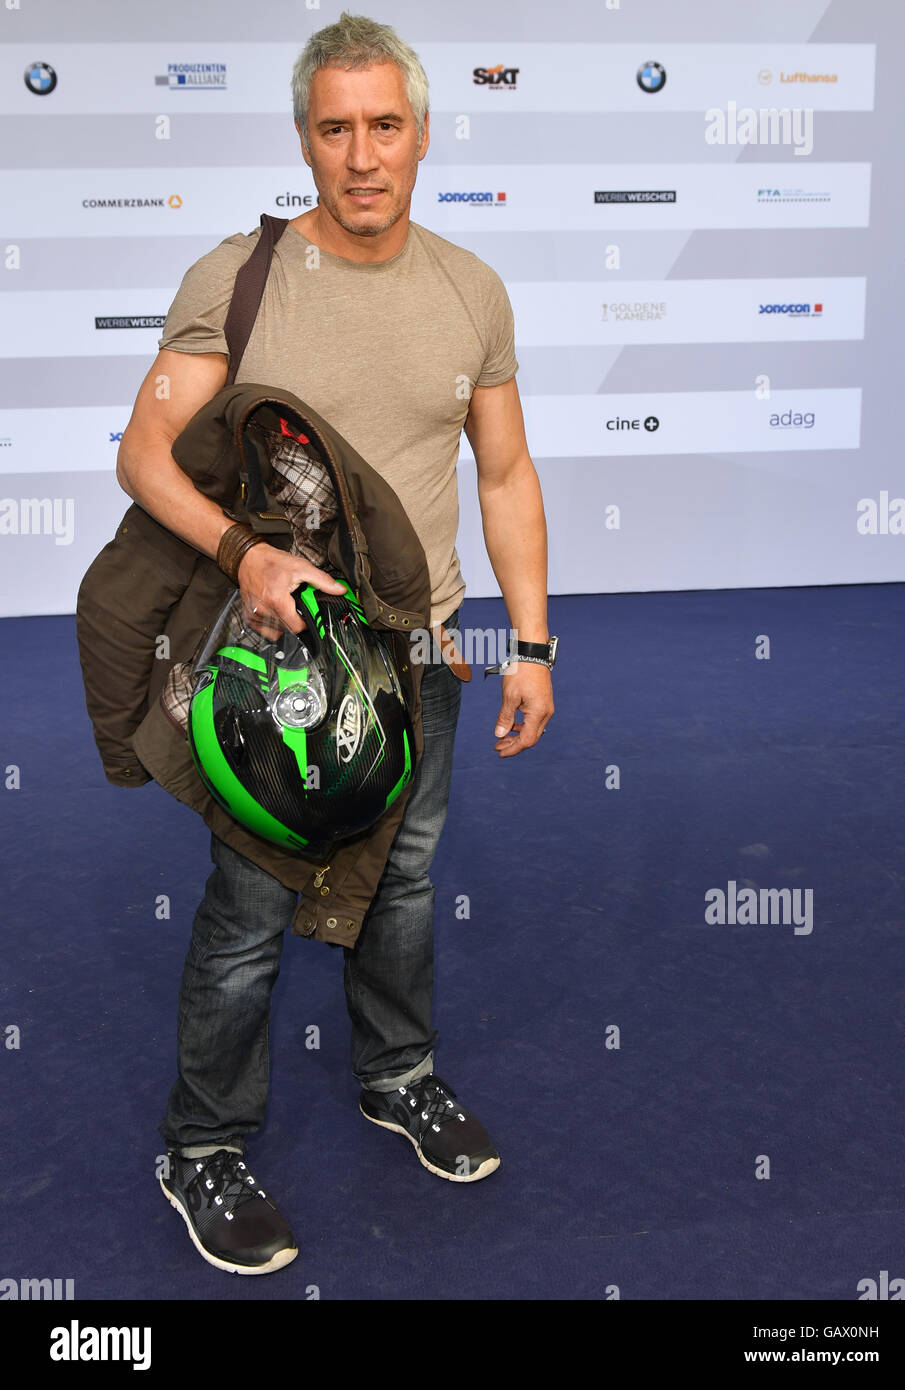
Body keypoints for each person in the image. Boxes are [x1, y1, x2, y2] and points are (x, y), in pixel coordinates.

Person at [116, 11, 554, 1276]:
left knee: (404, 880)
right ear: (304, 140)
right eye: (334, 128)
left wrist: (531, 644)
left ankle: (396, 1076)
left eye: (385, 125)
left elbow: (507, 472)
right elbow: (145, 454)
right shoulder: (236, 280)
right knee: (253, 908)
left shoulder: (471, 288)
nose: (362, 156)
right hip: (277, 669)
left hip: (418, 657)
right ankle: (201, 1144)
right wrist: (242, 553)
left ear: (421, 133)